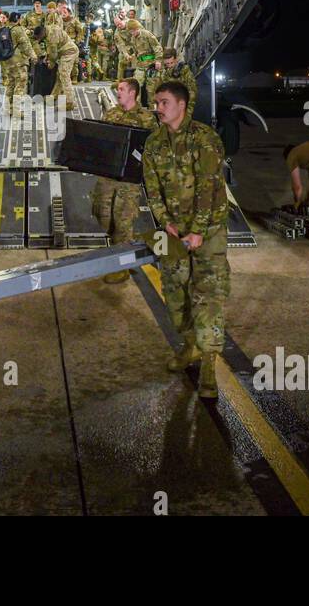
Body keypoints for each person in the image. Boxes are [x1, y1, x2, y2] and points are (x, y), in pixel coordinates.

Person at [143, 81, 231, 399]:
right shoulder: (153, 144)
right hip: (174, 232)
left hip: (208, 232)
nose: (158, 108)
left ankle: (208, 367)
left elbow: (209, 186)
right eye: (156, 102)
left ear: (182, 105)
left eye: (164, 102)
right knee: (174, 292)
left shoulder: (204, 139)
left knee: (208, 295)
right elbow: (152, 189)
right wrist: (165, 222)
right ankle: (189, 345)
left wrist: (198, 230)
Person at [92, 78, 158, 283]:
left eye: (121, 89)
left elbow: (154, 149)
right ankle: (119, 252)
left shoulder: (146, 119)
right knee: (103, 216)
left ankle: (121, 266)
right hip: (108, 177)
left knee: (123, 221)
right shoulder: (111, 114)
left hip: (128, 181)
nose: (118, 92)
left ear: (133, 93)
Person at [44, 11, 79, 110]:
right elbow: (50, 48)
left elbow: (53, 52)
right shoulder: (50, 29)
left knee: (64, 74)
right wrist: (48, 56)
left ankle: (70, 102)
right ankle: (53, 96)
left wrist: (51, 62)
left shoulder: (52, 31)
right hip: (65, 51)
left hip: (69, 51)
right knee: (59, 75)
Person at [5, 11, 38, 106]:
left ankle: (8, 108)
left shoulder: (5, 29)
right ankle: (16, 110)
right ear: (18, 19)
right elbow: (26, 46)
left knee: (10, 84)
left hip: (8, 61)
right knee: (20, 85)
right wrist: (33, 56)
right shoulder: (18, 30)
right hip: (19, 61)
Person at [123, 18, 162, 95]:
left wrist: (158, 60)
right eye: (130, 32)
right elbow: (136, 52)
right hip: (140, 65)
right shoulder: (133, 39)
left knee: (151, 89)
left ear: (137, 28)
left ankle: (152, 106)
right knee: (136, 86)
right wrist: (131, 56)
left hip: (151, 65)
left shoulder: (147, 35)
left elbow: (157, 47)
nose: (132, 33)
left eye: (133, 31)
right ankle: (136, 106)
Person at [158, 47, 197, 114]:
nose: (169, 66)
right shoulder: (164, 73)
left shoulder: (184, 71)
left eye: (171, 63)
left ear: (176, 60)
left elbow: (192, 92)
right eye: (167, 64)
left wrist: (187, 112)